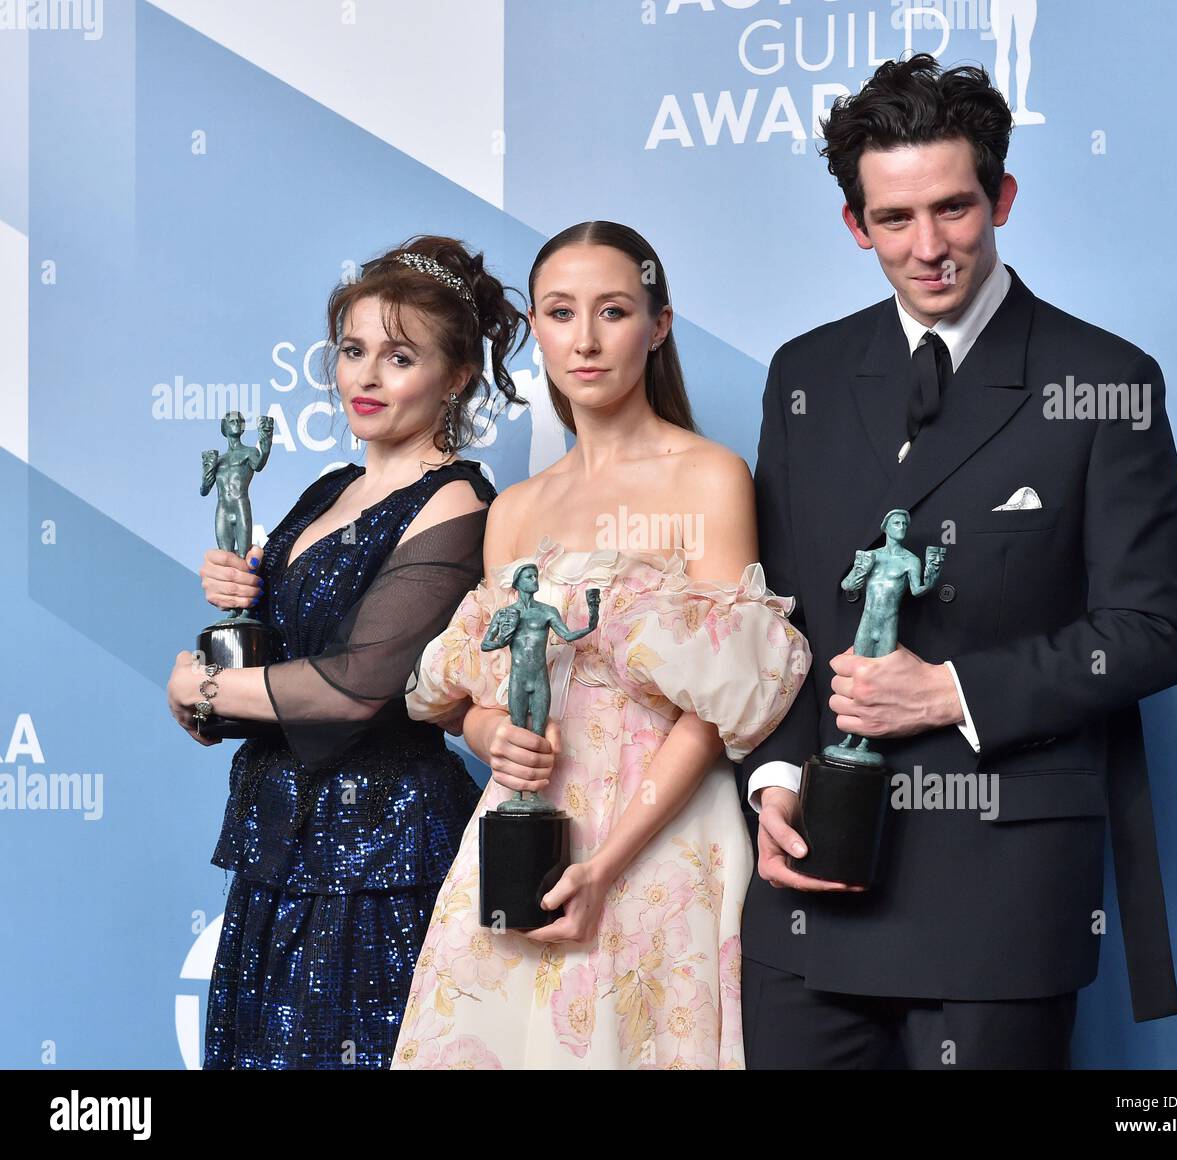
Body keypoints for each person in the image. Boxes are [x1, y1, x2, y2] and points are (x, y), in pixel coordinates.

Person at [739, 55, 1177, 1068]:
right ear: (856, 224)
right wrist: (769, 778)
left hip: (1000, 892)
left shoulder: (1104, 378)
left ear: (1003, 198)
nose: (929, 247)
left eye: (955, 208)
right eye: (893, 220)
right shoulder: (804, 372)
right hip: (809, 886)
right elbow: (775, 615)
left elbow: (1153, 631)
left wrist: (947, 691)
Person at [390, 222, 810, 1070]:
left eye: (613, 311)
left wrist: (605, 868)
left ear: (657, 326)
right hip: (523, 835)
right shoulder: (516, 509)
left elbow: (724, 705)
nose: (584, 339)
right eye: (559, 312)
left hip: (661, 838)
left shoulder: (710, 477)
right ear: (536, 330)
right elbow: (474, 695)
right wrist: (488, 737)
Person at [165, 235, 528, 1068]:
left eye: (399, 357)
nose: (364, 377)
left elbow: (359, 685)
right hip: (276, 850)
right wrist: (203, 676)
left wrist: (212, 689)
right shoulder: (324, 492)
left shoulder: (458, 501)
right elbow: (280, 666)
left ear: (457, 376)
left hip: (380, 860)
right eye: (353, 351)